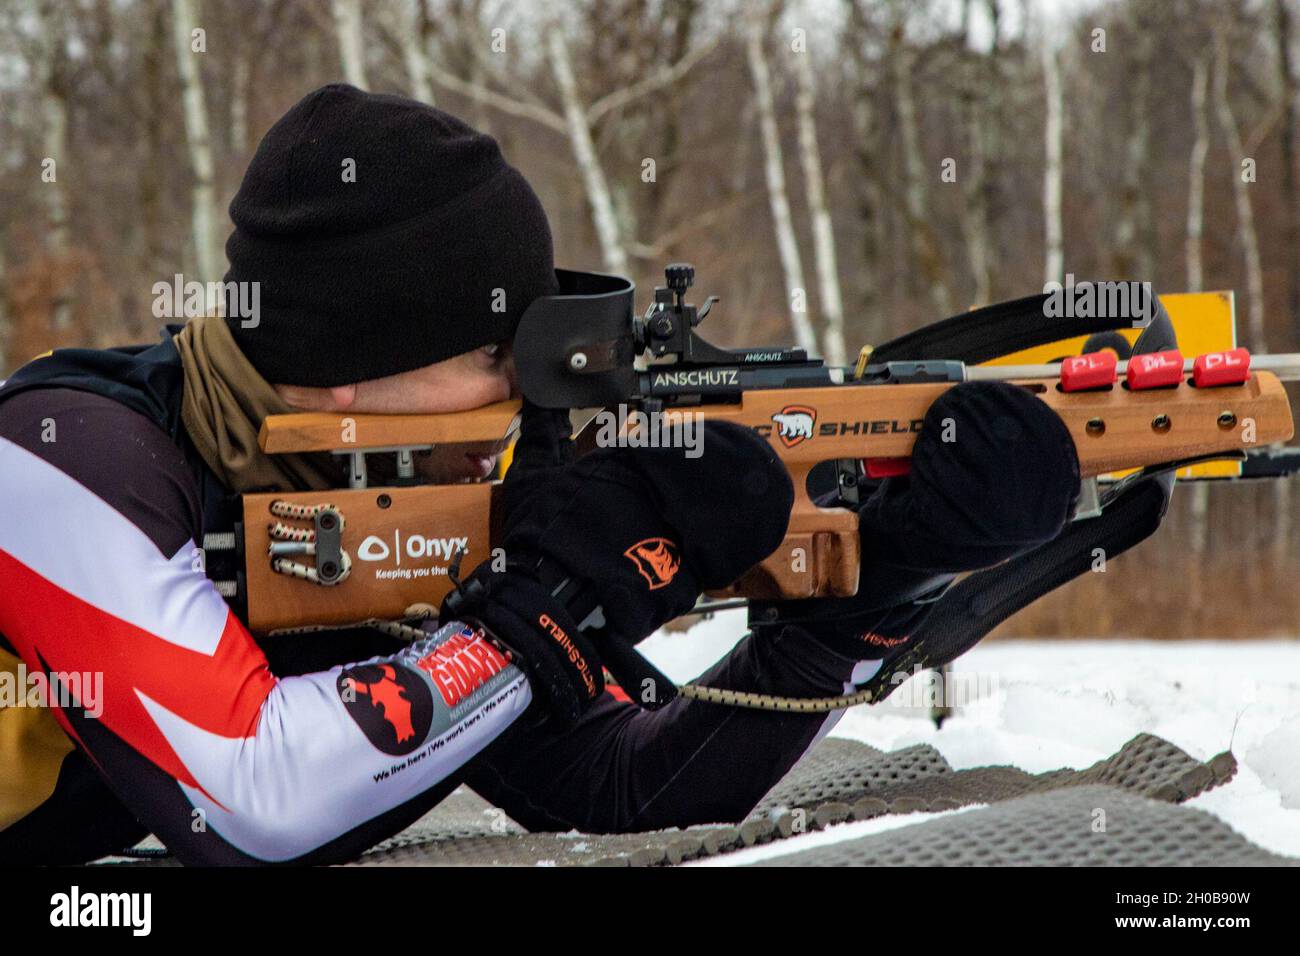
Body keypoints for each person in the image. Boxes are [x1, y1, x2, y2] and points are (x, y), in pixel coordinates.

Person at [0, 85, 1079, 865]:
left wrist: (875, 588)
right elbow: (252, 797)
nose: (523, 391)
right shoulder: (58, 462)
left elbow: (623, 784)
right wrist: (543, 609)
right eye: (491, 354)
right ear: (347, 369)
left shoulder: (383, 488)